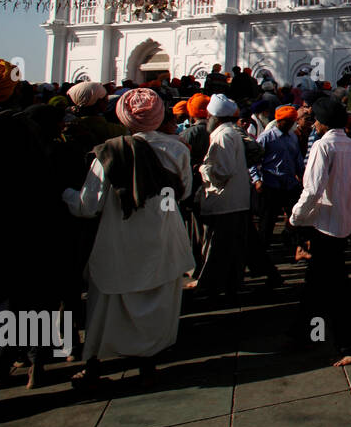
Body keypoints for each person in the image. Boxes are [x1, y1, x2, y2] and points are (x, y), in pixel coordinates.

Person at [63, 89, 193, 390]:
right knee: (158, 300)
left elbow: (88, 206)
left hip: (118, 240)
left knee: (106, 304)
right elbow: (183, 194)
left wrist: (64, 194)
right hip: (163, 237)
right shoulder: (177, 150)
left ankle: (92, 367)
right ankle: (148, 366)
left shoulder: (109, 151)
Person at [289, 97, 351, 366]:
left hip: (324, 226)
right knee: (316, 286)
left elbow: (312, 189)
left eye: (316, 118)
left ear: (323, 122)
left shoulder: (323, 146)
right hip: (344, 225)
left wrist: (295, 218)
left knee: (335, 289)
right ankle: (309, 336)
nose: (313, 123)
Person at [194, 94, 250, 303]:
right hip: (234, 201)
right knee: (230, 247)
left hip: (225, 202)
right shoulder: (230, 132)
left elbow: (224, 171)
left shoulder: (223, 135)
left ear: (213, 116)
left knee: (218, 247)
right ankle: (229, 285)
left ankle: (212, 287)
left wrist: (203, 169)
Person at [251, 104, 304, 285]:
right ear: (279, 121)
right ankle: (260, 259)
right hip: (271, 185)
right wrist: (256, 179)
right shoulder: (266, 137)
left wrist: (302, 177)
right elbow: (253, 160)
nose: (290, 125)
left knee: (295, 217)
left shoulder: (292, 138)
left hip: (289, 184)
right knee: (267, 224)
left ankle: (299, 247)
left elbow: (297, 158)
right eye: (287, 122)